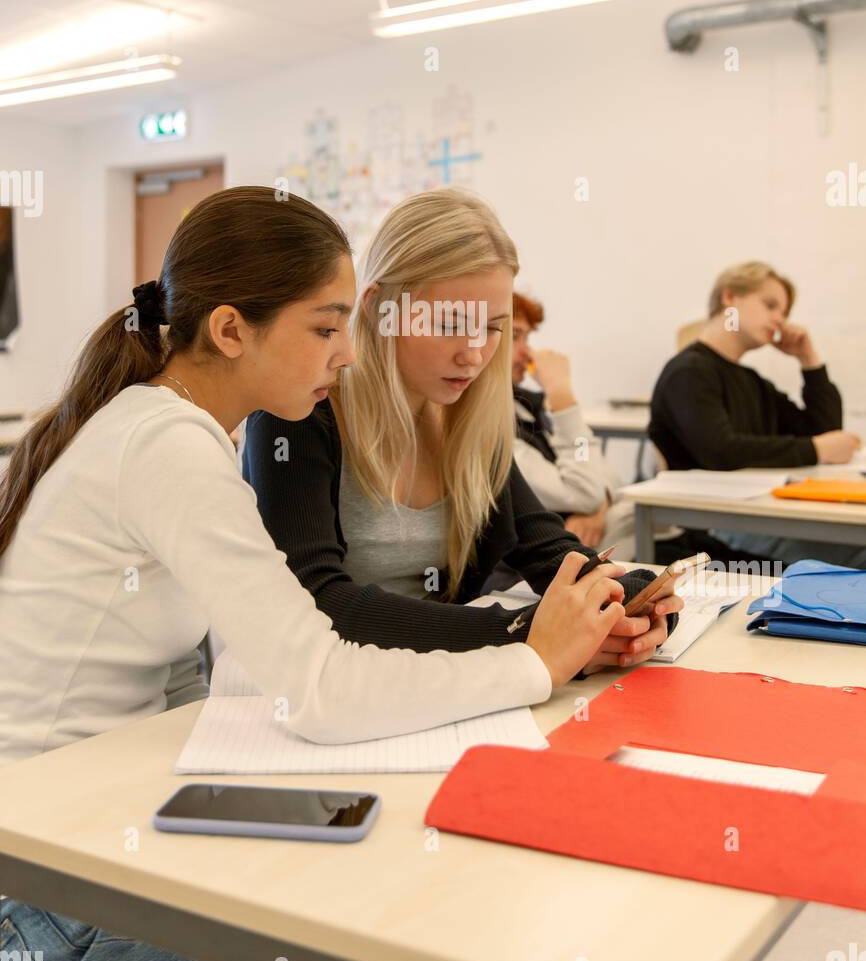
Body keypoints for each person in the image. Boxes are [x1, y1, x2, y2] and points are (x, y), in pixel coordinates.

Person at [0, 186, 629, 961]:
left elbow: (203, 682)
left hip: (96, 824)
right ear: (231, 330)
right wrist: (535, 660)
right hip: (51, 893)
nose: (350, 351)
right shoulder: (165, 445)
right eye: (327, 327)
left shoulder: (174, 431)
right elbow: (319, 689)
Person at [243, 188, 681, 670]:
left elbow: (553, 554)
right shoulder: (299, 415)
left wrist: (640, 607)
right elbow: (318, 602)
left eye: (494, 327)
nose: (473, 353)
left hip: (444, 681)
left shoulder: (469, 418)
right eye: (451, 323)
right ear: (378, 309)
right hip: (329, 691)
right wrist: (529, 631)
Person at [649, 259, 865, 568]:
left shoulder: (751, 381)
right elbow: (720, 451)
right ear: (729, 298)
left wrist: (809, 359)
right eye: (770, 305)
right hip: (714, 526)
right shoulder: (689, 371)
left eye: (785, 313)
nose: (780, 320)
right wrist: (816, 449)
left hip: (755, 515)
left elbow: (824, 431)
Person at [509, 292, 635, 554]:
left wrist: (599, 508)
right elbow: (584, 492)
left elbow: (609, 475)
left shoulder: (528, 405)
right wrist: (562, 395)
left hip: (573, 544)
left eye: (528, 337)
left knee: (631, 516)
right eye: (514, 337)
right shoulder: (491, 424)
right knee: (632, 522)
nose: (528, 352)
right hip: (525, 564)